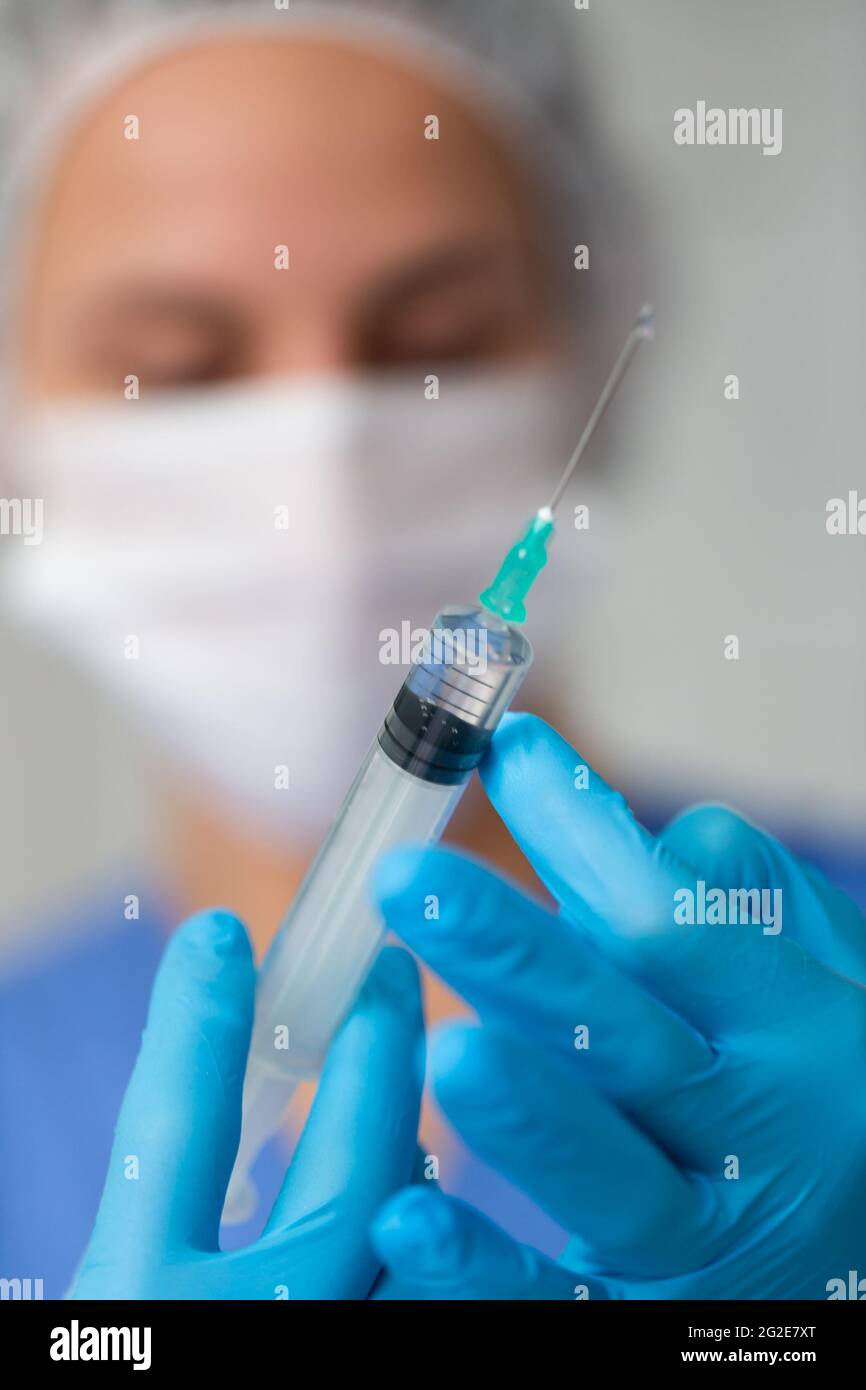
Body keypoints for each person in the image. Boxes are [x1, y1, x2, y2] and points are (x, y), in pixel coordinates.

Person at [1, 0, 864, 1301]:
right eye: (174, 369)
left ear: (589, 359)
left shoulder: (832, 1009)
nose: (322, 467)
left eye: (434, 348)